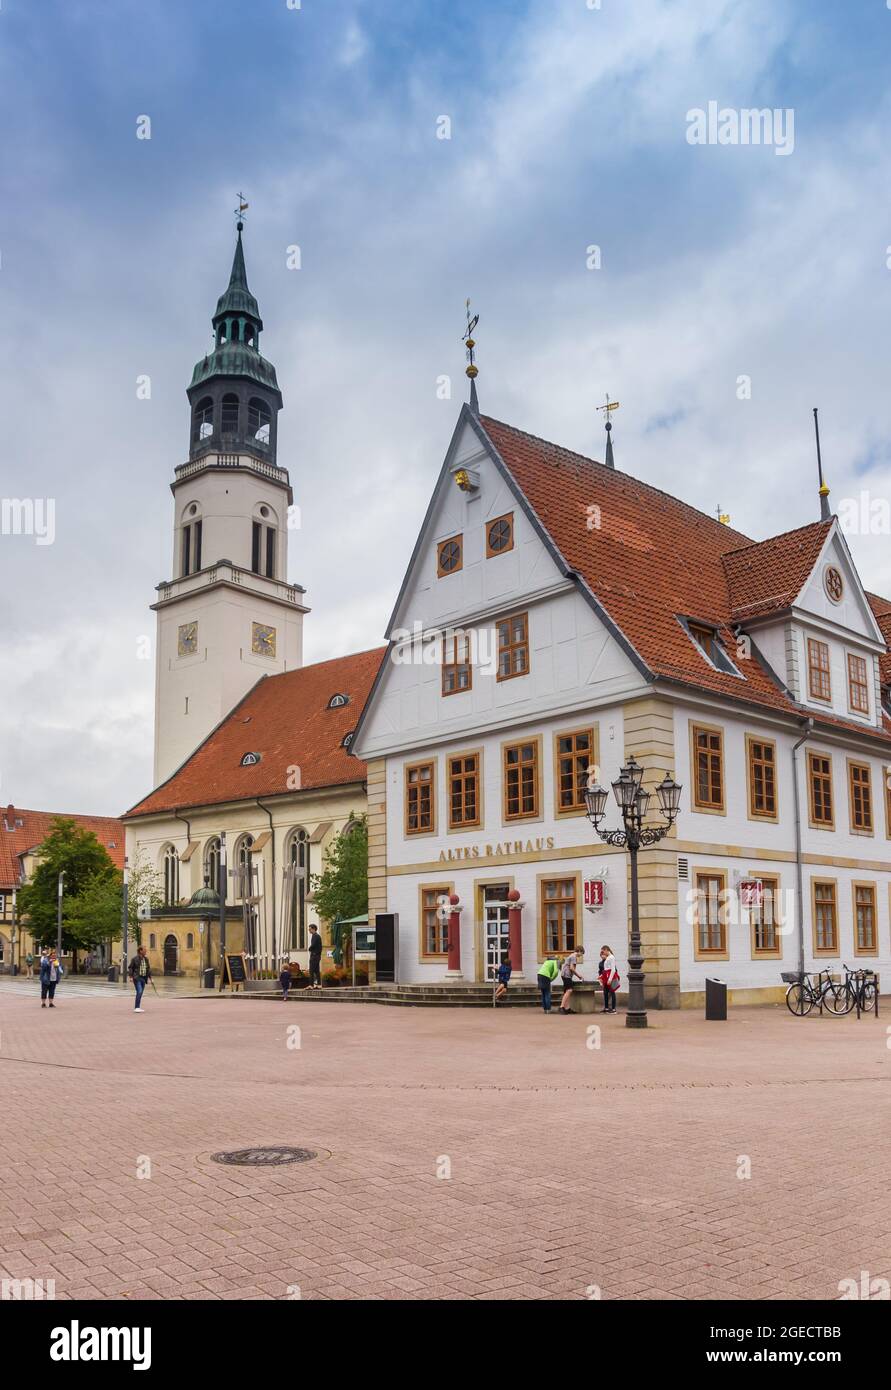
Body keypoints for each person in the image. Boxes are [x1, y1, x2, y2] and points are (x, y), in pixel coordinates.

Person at [558, 947, 585, 1015]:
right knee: (569, 990)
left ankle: (567, 1008)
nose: (581, 955)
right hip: (567, 975)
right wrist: (579, 976)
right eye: (581, 953)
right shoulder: (574, 957)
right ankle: (561, 1007)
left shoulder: (571, 955)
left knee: (567, 991)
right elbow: (572, 968)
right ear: (579, 951)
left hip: (565, 975)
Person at [128, 945, 152, 1012]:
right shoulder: (134, 959)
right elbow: (130, 967)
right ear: (140, 951)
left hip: (143, 978)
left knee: (140, 992)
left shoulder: (146, 959)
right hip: (137, 977)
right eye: (144, 950)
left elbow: (148, 969)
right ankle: (137, 1007)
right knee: (139, 991)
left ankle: (137, 1007)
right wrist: (131, 977)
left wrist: (150, 978)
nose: (146, 951)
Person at [599, 945, 619, 1013]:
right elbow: (606, 969)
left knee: (612, 992)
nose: (603, 953)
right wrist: (601, 976)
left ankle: (613, 1009)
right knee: (606, 992)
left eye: (603, 951)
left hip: (610, 977)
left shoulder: (612, 957)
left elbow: (613, 969)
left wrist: (610, 979)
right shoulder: (608, 958)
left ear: (606, 950)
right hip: (606, 976)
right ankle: (606, 1008)